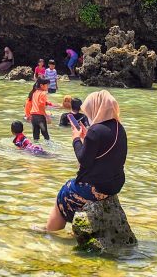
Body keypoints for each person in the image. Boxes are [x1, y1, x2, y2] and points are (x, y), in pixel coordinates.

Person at [46, 90, 127, 233]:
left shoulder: (95, 131)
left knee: (63, 194)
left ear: (96, 108)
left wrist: (77, 138)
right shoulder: (119, 127)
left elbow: (83, 160)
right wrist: (86, 138)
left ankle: (50, 233)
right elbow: (102, 156)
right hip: (115, 185)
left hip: (96, 188)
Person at [28, 77, 52, 141]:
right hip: (40, 117)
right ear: (41, 85)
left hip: (33, 116)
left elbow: (35, 103)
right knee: (46, 135)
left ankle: (35, 148)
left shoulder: (34, 93)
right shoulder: (43, 93)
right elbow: (41, 105)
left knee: (35, 136)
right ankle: (49, 148)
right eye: (47, 85)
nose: (48, 87)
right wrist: (46, 116)